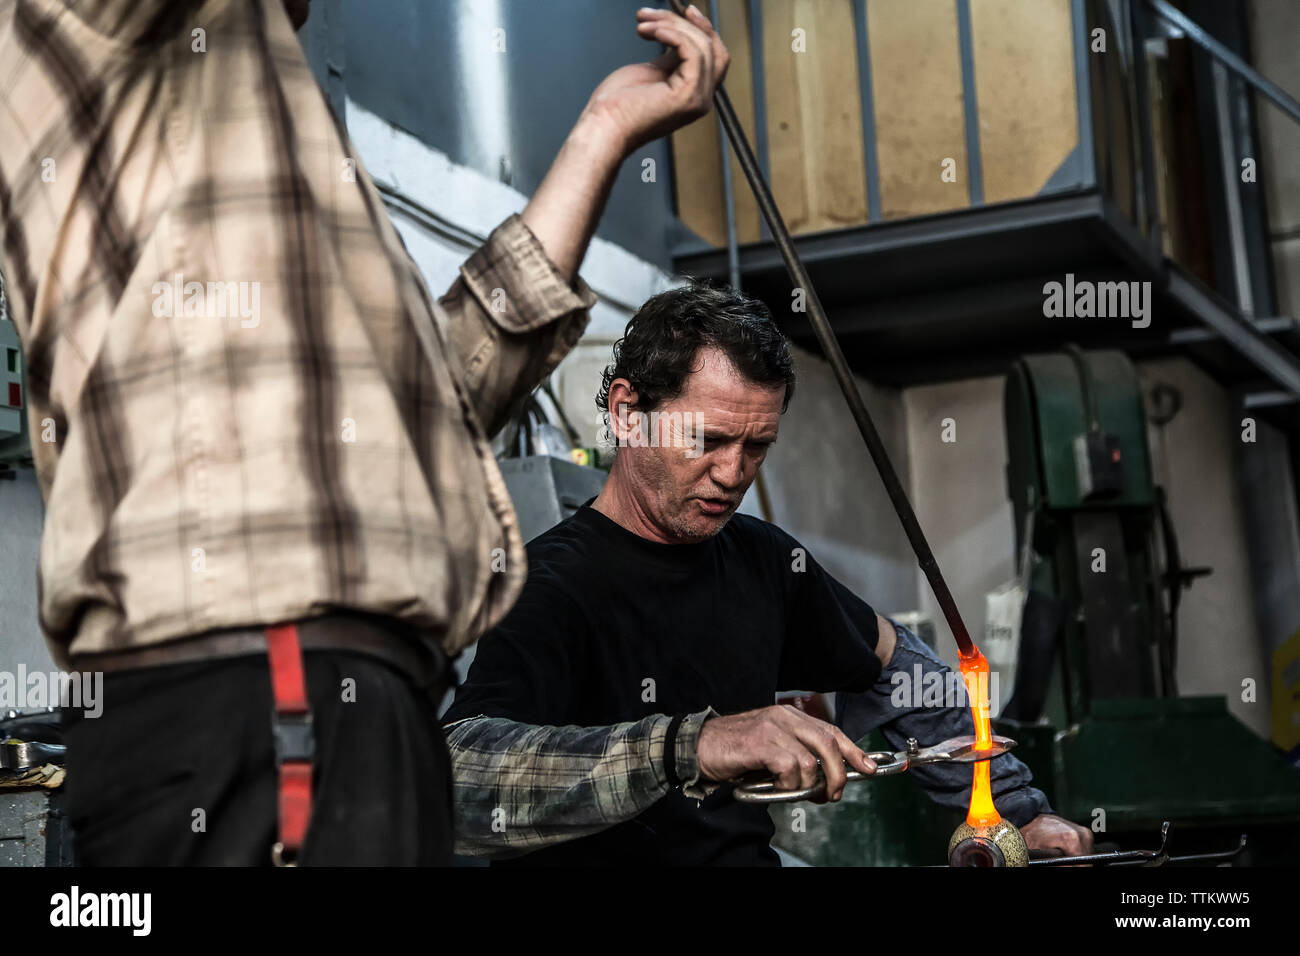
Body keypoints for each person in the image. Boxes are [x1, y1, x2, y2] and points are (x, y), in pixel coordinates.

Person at [0, 0, 730, 864]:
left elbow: (440, 411)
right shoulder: (94, 27)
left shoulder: (273, 135)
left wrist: (604, 131)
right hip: (254, 695)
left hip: (348, 706)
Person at [444, 283, 1095, 865]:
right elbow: (461, 782)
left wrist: (1013, 808)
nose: (733, 475)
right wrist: (687, 746)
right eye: (707, 440)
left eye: (756, 446)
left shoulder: (762, 560)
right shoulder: (551, 587)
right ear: (625, 412)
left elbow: (899, 665)